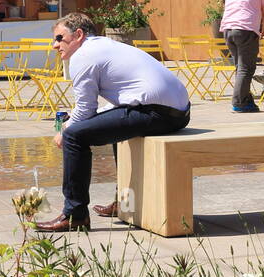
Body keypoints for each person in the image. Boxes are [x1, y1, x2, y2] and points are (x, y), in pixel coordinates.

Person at [34, 13, 191, 232]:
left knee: (73, 136)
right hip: (178, 112)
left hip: (158, 113)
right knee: (114, 127)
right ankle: (124, 204)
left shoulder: (83, 55)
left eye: (60, 38)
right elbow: (101, 108)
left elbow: (85, 110)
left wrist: (65, 129)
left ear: (78, 35)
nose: (54, 45)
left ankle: (74, 214)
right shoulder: (104, 46)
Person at [221, 0, 264, 113]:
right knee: (246, 68)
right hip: (246, 29)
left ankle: (246, 99)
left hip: (228, 29)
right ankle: (239, 102)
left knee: (240, 67)